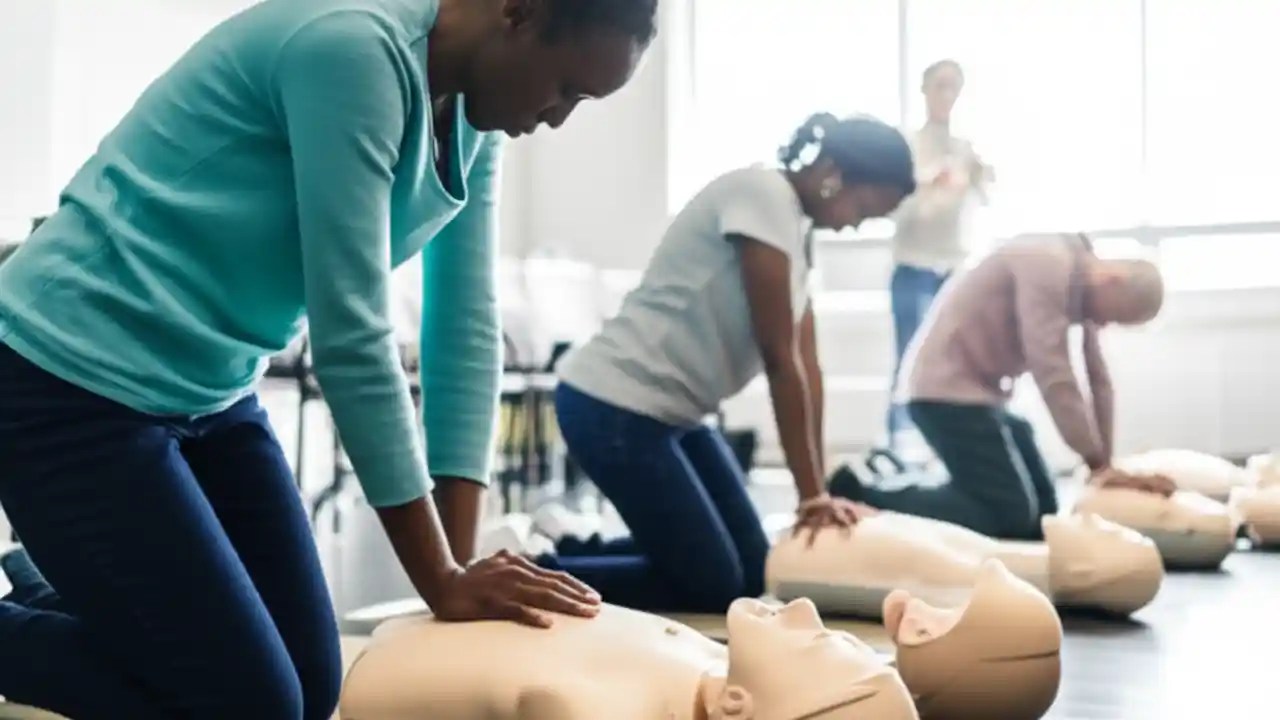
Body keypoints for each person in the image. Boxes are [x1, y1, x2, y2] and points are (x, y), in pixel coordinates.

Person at [0, 0, 657, 718]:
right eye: (566, 89)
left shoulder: (473, 116)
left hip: (211, 395)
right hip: (63, 382)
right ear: (519, 14)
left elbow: (464, 325)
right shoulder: (351, 48)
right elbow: (352, 337)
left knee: (313, 692)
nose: (558, 118)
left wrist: (460, 569)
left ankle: (75, 583)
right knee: (254, 707)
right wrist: (438, 574)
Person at [541, 113, 916, 613]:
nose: (854, 225)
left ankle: (570, 553)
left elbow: (809, 368)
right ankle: (534, 572)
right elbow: (780, 359)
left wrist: (819, 492)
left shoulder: (798, 235)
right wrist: (809, 499)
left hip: (674, 415)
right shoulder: (762, 197)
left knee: (751, 566)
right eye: (863, 208)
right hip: (612, 406)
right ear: (834, 172)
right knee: (714, 586)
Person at [832, 233, 1164, 540]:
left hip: (981, 398)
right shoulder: (1048, 263)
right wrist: (1096, 463)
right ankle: (862, 492)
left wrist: (1106, 463)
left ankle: (907, 480)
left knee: (1042, 516)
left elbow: (1098, 378)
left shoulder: (1081, 277)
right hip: (942, 393)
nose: (1103, 324)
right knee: (1009, 517)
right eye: (1112, 316)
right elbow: (1052, 370)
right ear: (1112, 279)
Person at [885, 59, 993, 447]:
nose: (947, 95)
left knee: (957, 360)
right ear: (924, 90)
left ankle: (951, 447)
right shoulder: (907, 146)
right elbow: (892, 207)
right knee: (909, 357)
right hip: (913, 265)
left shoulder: (969, 148)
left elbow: (990, 197)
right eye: (940, 86)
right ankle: (903, 445)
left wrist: (979, 175)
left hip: (956, 268)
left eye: (954, 87)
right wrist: (927, 183)